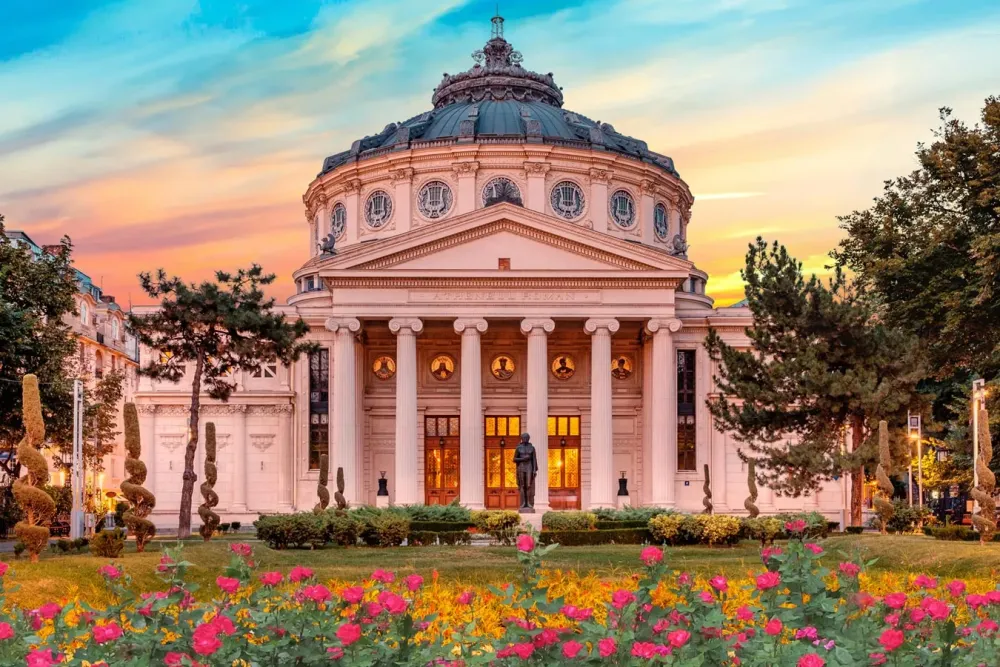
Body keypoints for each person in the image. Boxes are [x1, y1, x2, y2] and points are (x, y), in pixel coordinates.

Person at [512, 433, 538, 510]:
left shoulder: (532, 448)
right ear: (522, 438)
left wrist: (534, 470)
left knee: (529, 485)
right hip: (521, 467)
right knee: (522, 486)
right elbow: (514, 459)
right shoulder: (518, 448)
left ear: (528, 438)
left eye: (527, 437)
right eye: (524, 437)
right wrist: (523, 459)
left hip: (529, 467)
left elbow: (534, 460)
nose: (525, 439)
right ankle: (523, 503)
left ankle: (529, 503)